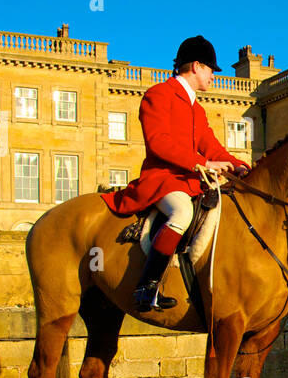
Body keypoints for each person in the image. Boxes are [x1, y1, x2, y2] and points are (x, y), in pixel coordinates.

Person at [101, 35, 251, 311]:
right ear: (195, 66)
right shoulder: (158, 94)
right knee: (182, 212)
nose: (213, 76)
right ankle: (147, 286)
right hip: (162, 179)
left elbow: (212, 147)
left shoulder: (197, 108)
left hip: (190, 181)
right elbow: (158, 142)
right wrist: (202, 164)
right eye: (210, 69)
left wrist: (239, 165)